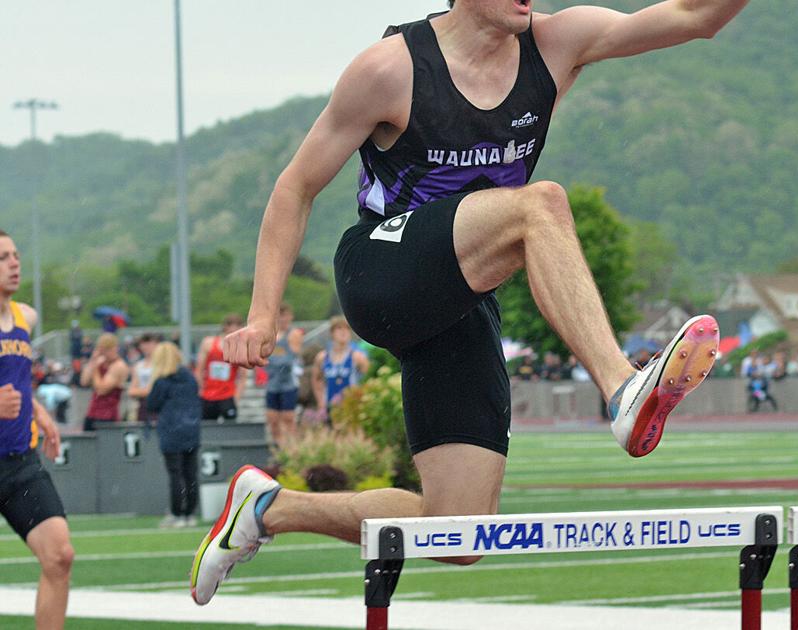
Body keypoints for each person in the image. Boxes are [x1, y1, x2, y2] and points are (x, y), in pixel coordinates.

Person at [190, 0, 740, 606]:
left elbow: (696, 17)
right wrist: (263, 314)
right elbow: (296, 186)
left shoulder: (556, 43)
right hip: (381, 270)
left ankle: (266, 509)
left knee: (459, 530)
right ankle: (621, 388)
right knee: (541, 204)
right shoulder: (390, 69)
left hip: (460, 299)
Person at [0, 231, 74, 629]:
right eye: (2, 258)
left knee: (59, 556)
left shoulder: (24, 317)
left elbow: (16, 377)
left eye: (15, 255)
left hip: (18, 463)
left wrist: (39, 413)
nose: (14, 263)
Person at [145, 341, 203, 528]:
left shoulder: (161, 382)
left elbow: (151, 404)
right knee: (191, 473)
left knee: (175, 474)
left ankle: (177, 513)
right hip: (191, 429)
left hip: (171, 430)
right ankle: (190, 513)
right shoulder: (190, 379)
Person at [311, 316, 369, 420]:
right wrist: (320, 401)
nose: (343, 332)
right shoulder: (322, 357)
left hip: (351, 406)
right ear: (332, 333)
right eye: (339, 328)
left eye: (347, 329)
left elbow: (368, 379)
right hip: (330, 404)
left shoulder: (357, 357)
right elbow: (316, 380)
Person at [263, 304, 303, 443]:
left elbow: (290, 359)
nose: (282, 319)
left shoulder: (293, 334)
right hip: (272, 383)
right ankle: (277, 445)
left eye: (285, 316)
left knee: (288, 418)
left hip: (288, 383)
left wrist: (274, 359)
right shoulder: (269, 335)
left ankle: (291, 446)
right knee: (272, 419)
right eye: (280, 316)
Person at [195, 314, 245, 423]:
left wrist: (236, 398)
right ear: (225, 326)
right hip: (208, 395)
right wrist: (200, 389)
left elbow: (242, 377)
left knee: (231, 428)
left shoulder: (241, 348)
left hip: (228, 395)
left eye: (237, 326)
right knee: (207, 427)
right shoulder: (208, 343)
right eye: (231, 325)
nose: (233, 329)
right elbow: (199, 370)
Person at [79, 332, 128, 432]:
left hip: (108, 415)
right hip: (92, 413)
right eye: (103, 350)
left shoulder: (119, 366)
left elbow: (102, 390)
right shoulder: (100, 361)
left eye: (108, 349)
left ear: (115, 348)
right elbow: (83, 381)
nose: (105, 353)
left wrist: (95, 369)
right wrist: (92, 360)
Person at [126, 332, 162, 424]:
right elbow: (131, 391)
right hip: (143, 407)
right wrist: (146, 391)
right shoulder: (138, 365)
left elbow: (156, 390)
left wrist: (142, 391)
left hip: (158, 408)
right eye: (143, 343)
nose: (145, 346)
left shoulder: (162, 365)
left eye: (149, 343)